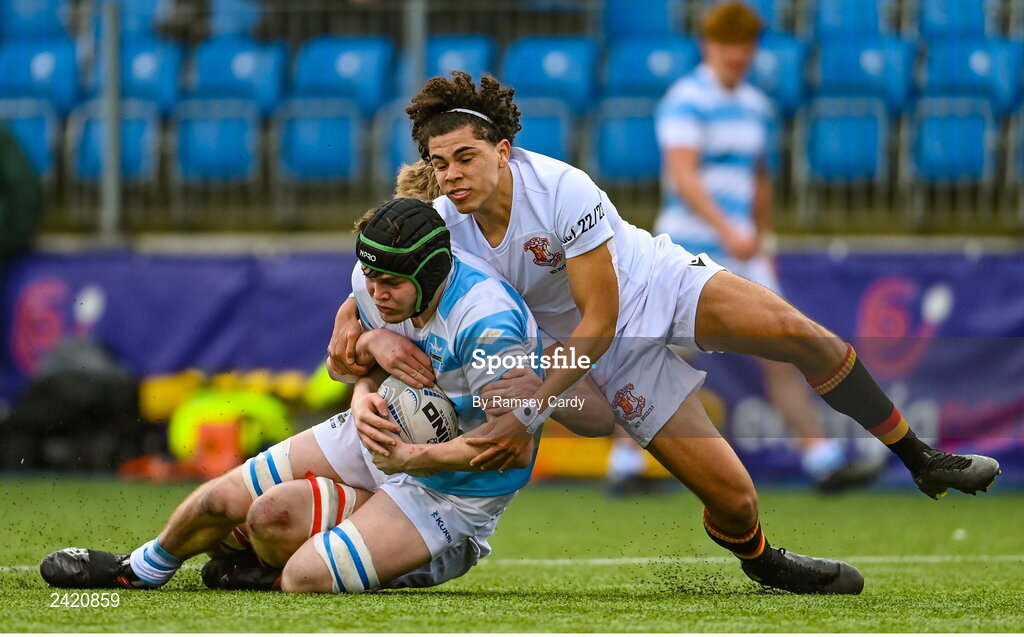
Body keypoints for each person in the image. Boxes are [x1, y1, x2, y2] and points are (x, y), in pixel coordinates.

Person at [329, 71, 1001, 595]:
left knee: (798, 331)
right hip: (609, 361)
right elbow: (371, 289)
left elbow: (600, 316)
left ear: (504, 151)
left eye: (464, 158)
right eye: (439, 163)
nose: (451, 176)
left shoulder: (564, 189)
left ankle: (919, 456)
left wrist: (531, 408)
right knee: (736, 500)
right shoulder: (441, 225)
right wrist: (366, 338)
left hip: (654, 285)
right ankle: (764, 561)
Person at [39, 198, 608, 593]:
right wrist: (365, 386)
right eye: (371, 280)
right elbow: (346, 359)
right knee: (225, 504)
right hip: (380, 434)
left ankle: (428, 558)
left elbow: (507, 445)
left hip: (455, 490)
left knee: (303, 578)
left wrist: (412, 459)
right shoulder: (375, 281)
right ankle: (138, 570)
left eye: (391, 285)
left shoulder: (487, 324)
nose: (376, 293)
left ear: (432, 272)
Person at [606, 0, 883, 493]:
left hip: (744, 249)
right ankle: (624, 465)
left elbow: (758, 179)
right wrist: (726, 228)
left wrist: (761, 237)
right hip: (689, 246)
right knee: (660, 356)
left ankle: (820, 459)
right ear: (708, 45)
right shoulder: (685, 99)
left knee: (782, 350)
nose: (737, 54)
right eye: (728, 44)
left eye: (745, 44)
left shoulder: (756, 105)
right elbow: (684, 175)